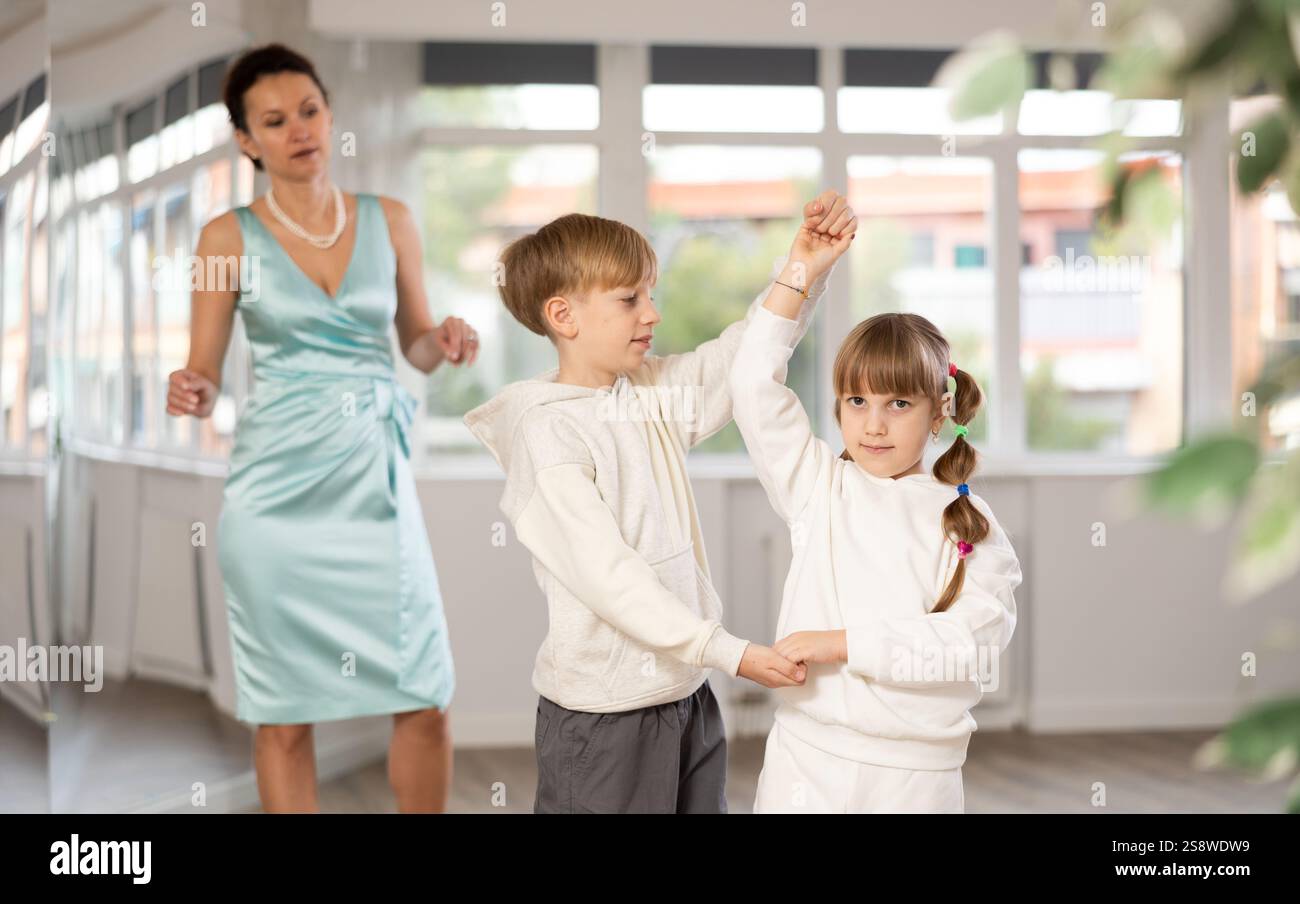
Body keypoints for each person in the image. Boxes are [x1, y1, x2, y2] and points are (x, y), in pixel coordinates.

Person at [463, 192, 855, 812]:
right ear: (563, 316)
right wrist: (732, 652)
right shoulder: (548, 434)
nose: (653, 312)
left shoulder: (647, 393)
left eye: (650, 293)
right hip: (605, 715)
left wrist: (805, 266)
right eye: (630, 300)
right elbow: (610, 579)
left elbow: (741, 360)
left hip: (684, 691)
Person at [166, 43, 474, 813]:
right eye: (274, 120)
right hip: (276, 501)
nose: (299, 129)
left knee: (426, 699)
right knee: (282, 716)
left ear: (329, 113)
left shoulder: (390, 220)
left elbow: (416, 345)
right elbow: (201, 373)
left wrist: (444, 343)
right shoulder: (222, 239)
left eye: (309, 110)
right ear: (246, 140)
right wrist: (190, 389)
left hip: (375, 484)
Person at [730, 282, 1023, 814]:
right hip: (804, 760)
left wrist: (843, 644)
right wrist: (804, 271)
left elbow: (971, 642)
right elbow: (751, 382)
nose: (873, 424)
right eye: (857, 400)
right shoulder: (818, 486)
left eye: (899, 403)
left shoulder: (969, 523)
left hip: (915, 778)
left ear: (938, 414)